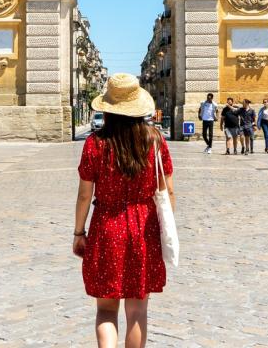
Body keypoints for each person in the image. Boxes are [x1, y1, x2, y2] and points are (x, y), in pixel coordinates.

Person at [74, 73, 174, 348]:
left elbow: (85, 195)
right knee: (138, 311)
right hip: (145, 228)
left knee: (106, 310)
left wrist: (78, 232)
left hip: (106, 225)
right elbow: (168, 190)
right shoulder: (155, 141)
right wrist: (167, 230)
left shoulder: (95, 143)